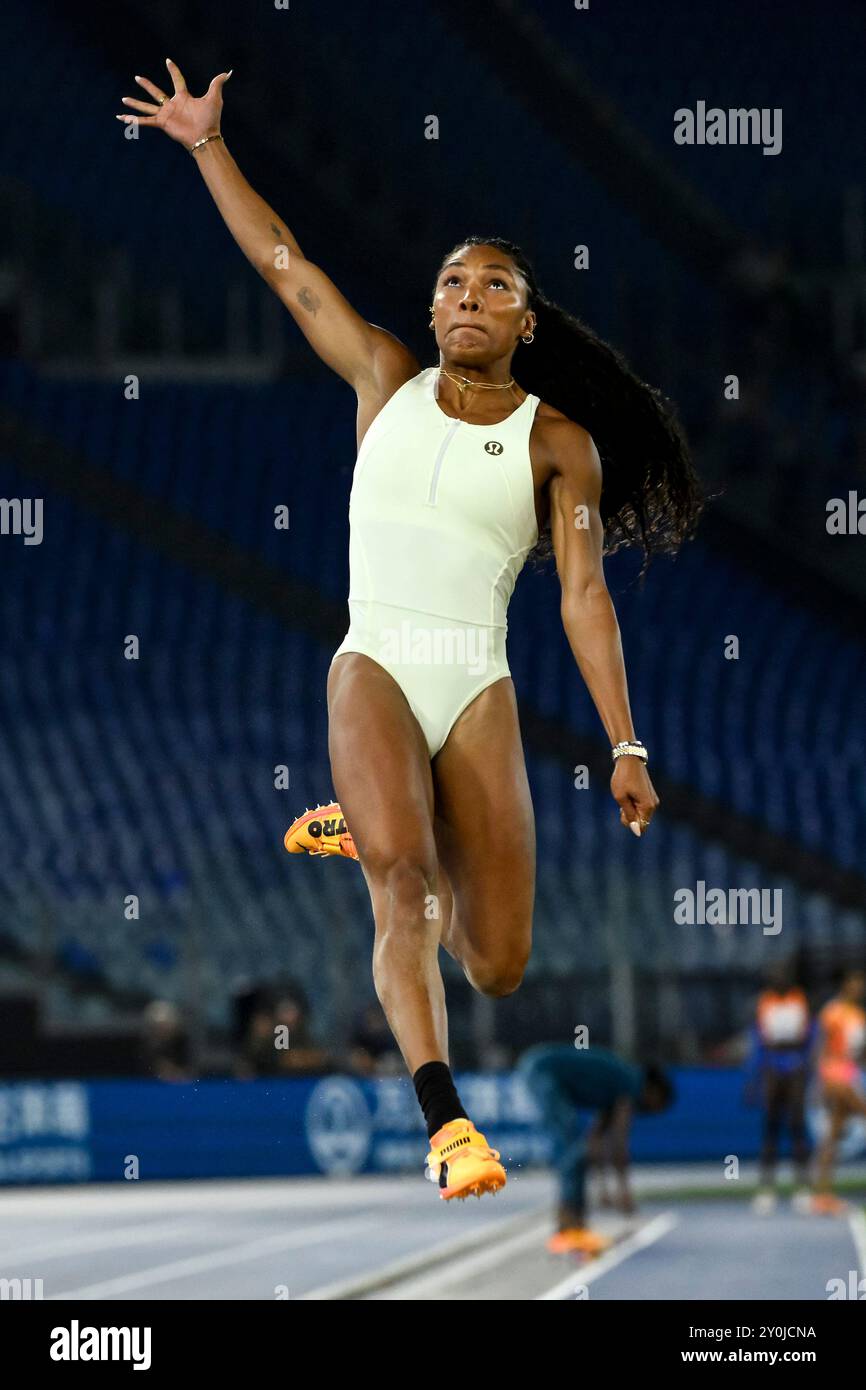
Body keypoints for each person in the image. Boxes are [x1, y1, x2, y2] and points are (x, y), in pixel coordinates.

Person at [117, 60, 701, 1201]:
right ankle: (447, 1123)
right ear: (432, 309)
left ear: (524, 321)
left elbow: (583, 593)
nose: (467, 297)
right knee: (401, 888)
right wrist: (204, 147)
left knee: (495, 961)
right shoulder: (381, 373)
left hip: (472, 682)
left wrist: (624, 744)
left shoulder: (556, 441)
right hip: (375, 661)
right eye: (452, 284)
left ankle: (385, 822)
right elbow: (284, 265)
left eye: (491, 287)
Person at [518, 1043, 675, 1253]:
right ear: (653, 1090)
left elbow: (596, 1142)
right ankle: (568, 1225)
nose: (651, 1111)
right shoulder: (630, 1083)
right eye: (657, 1105)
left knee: (578, 1149)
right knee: (571, 1147)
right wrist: (624, 1192)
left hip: (541, 1069)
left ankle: (575, 1222)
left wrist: (603, 1191)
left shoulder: (617, 1087)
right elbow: (619, 1145)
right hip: (543, 1071)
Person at [743, 962, 815, 1213]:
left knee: (797, 1126)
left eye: (784, 974)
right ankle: (766, 1188)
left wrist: (806, 1067)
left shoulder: (800, 1000)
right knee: (771, 1127)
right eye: (775, 974)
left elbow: (805, 1038)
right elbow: (759, 1041)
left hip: (794, 1065)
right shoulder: (764, 1002)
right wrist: (753, 1079)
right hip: (772, 1067)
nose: (779, 978)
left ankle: (802, 1187)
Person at [811, 968, 866, 1215]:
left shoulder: (858, 1015)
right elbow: (821, 1047)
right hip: (834, 1075)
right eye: (855, 983)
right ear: (845, 984)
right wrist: (820, 1081)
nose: (859, 988)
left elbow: (859, 1053)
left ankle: (823, 1195)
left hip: (850, 1073)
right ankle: (822, 1194)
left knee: (832, 1136)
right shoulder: (832, 1012)